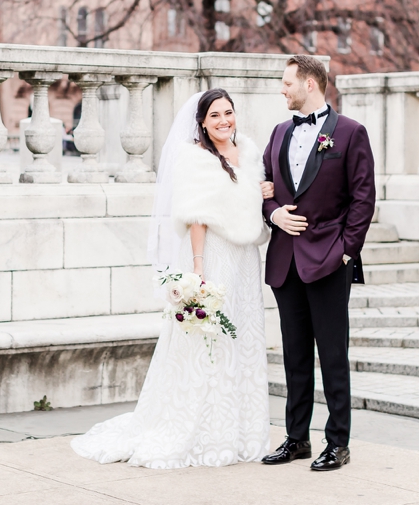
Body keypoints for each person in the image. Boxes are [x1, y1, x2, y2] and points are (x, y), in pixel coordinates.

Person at [71, 88, 273, 468]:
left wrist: (265, 191)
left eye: (228, 113)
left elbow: (250, 201)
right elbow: (195, 215)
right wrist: (199, 269)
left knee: (242, 339)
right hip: (213, 253)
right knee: (209, 344)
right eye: (214, 115)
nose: (223, 121)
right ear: (201, 121)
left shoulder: (248, 151)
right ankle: (206, 431)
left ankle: (243, 431)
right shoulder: (194, 157)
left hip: (246, 258)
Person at [260, 55, 375, 472]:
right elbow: (266, 189)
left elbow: (363, 199)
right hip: (285, 260)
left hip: (330, 258)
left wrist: (346, 250)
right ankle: (296, 439)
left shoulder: (350, 133)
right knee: (293, 355)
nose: (282, 89)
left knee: (332, 354)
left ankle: (338, 443)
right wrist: (273, 212)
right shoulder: (278, 133)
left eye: (287, 82)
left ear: (310, 84)